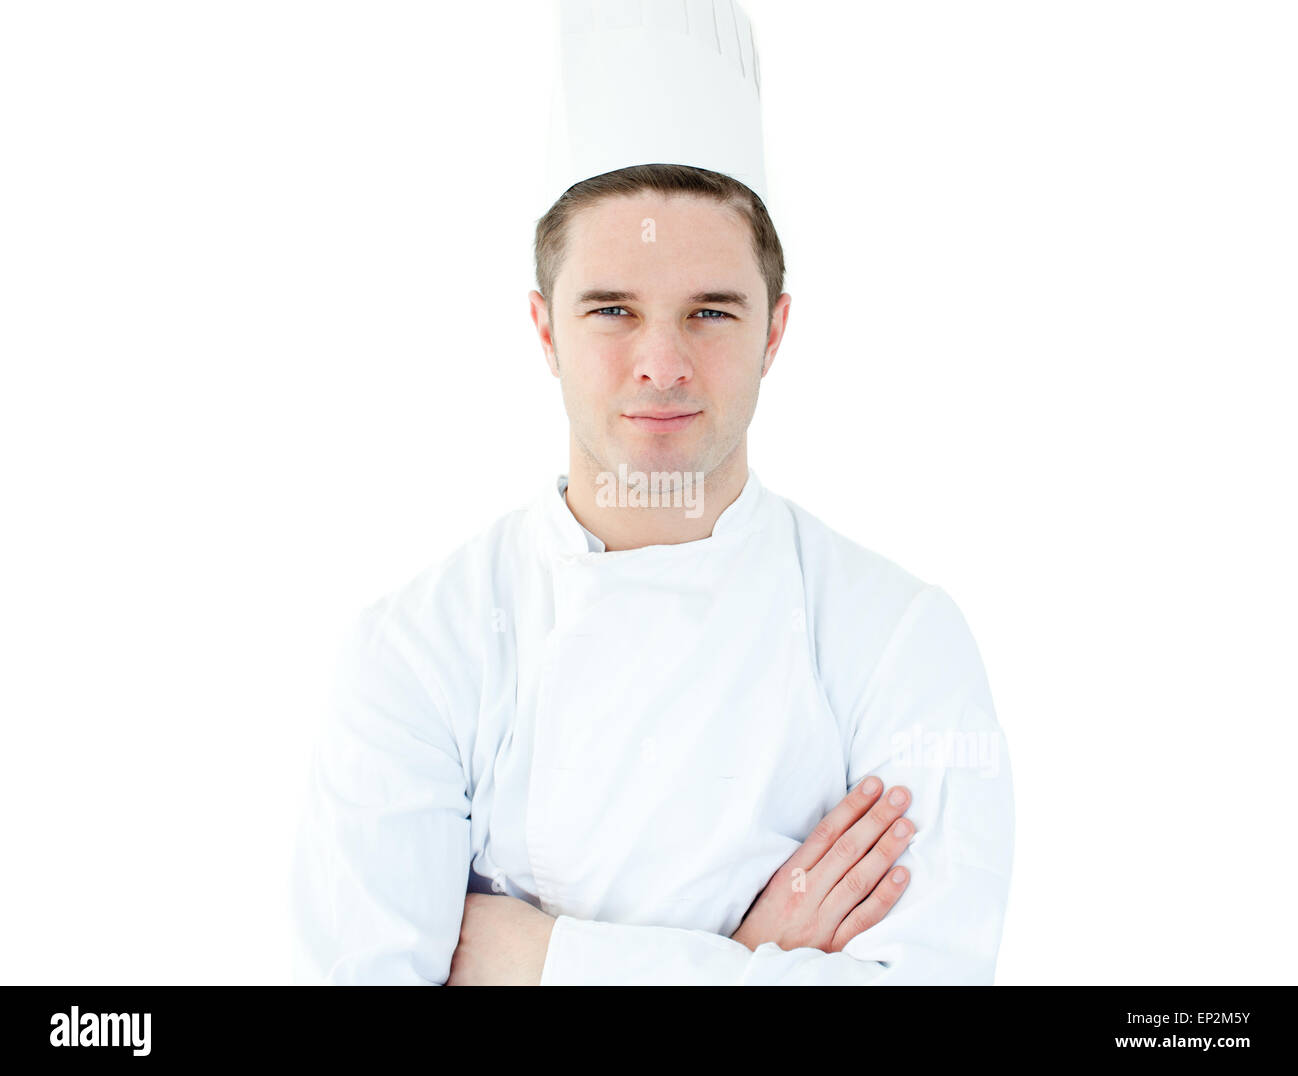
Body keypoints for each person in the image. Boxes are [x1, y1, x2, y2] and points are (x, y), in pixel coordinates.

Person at [288, 2, 1014, 986]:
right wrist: (754, 961)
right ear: (544, 329)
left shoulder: (897, 638)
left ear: (775, 328)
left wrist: (541, 956)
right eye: (613, 310)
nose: (661, 363)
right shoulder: (417, 651)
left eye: (709, 310)